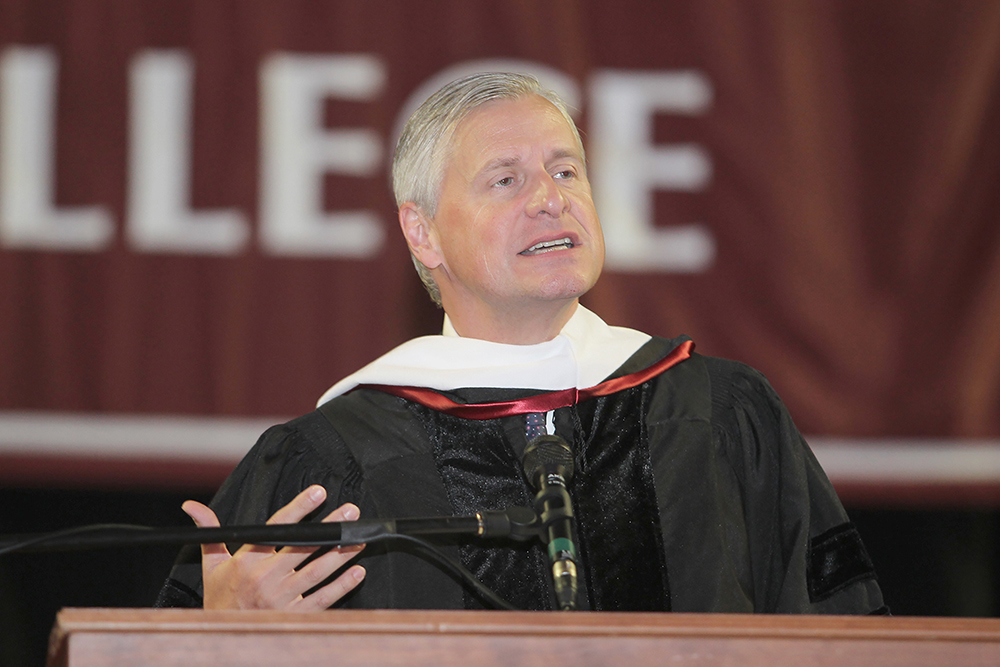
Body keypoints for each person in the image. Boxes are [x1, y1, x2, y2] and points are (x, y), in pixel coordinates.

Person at [156, 72, 886, 614]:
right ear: (423, 231)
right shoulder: (329, 462)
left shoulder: (719, 414)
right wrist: (215, 641)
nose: (550, 196)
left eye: (566, 170)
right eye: (506, 179)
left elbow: (847, 632)